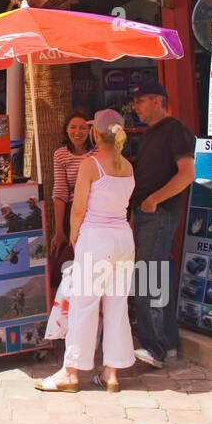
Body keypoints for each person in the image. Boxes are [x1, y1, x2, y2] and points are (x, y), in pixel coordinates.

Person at [37, 110, 136, 393]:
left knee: (84, 306)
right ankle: (111, 373)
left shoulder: (91, 165)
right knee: (117, 306)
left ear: (95, 133)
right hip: (122, 240)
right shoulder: (128, 166)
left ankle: (71, 372)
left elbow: (77, 208)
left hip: (96, 238)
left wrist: (74, 238)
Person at [128, 79, 195, 368]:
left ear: (157, 100)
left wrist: (155, 200)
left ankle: (153, 348)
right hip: (145, 215)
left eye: (140, 101)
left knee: (147, 278)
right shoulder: (148, 135)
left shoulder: (176, 130)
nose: (135, 108)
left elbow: (187, 174)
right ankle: (167, 344)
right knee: (157, 278)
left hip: (160, 214)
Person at [51, 109, 93, 274]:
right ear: (66, 130)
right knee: (66, 260)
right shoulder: (60, 155)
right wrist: (59, 231)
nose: (77, 132)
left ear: (91, 131)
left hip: (93, 212)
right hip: (71, 212)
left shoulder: (98, 153)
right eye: (73, 127)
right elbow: (60, 193)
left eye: (83, 128)